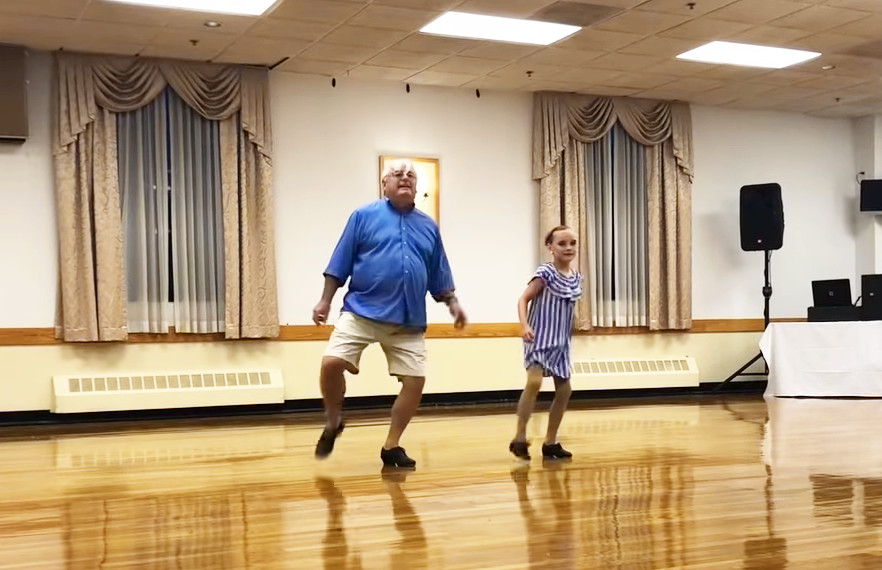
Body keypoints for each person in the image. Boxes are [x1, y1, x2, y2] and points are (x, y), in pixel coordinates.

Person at [312, 159, 467, 469]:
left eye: (411, 175)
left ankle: (391, 446)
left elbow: (438, 273)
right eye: (397, 174)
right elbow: (339, 261)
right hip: (361, 311)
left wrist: (453, 303)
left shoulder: (428, 227)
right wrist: (325, 300)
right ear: (385, 185)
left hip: (407, 319)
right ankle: (333, 421)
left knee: (415, 381)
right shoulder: (363, 216)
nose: (405, 178)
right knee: (331, 364)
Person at [510, 225, 582, 461]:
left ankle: (551, 442)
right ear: (550, 247)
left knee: (565, 389)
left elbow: (568, 308)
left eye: (572, 243)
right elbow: (523, 299)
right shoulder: (545, 273)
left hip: (561, 343)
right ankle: (520, 437)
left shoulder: (576, 278)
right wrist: (524, 325)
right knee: (534, 382)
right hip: (538, 338)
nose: (568, 247)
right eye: (562, 243)